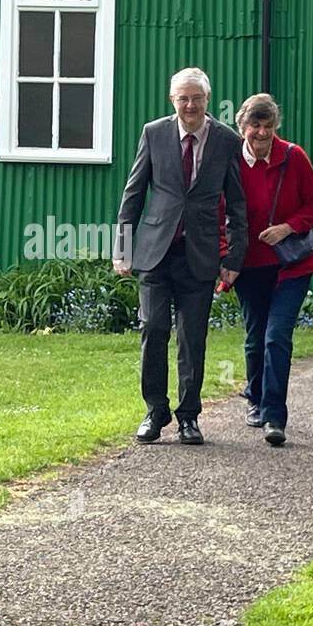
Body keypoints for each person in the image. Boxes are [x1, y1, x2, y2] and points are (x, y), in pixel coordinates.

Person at [113, 68, 247, 445]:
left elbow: (238, 204)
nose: (190, 105)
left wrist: (233, 258)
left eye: (197, 98)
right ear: (172, 100)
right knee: (153, 329)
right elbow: (132, 194)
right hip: (156, 253)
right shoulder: (153, 133)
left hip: (200, 256)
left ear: (207, 99)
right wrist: (122, 250)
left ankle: (189, 416)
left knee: (193, 338)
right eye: (183, 98)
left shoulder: (225, 140)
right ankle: (155, 411)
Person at [227, 94, 313, 447]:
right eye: (255, 126)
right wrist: (225, 262)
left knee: (276, 336)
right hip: (250, 266)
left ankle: (274, 416)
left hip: (292, 264)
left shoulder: (293, 156)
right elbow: (219, 212)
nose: (262, 133)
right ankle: (255, 398)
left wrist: (287, 227)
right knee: (256, 338)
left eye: (268, 126)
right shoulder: (231, 162)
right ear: (243, 127)